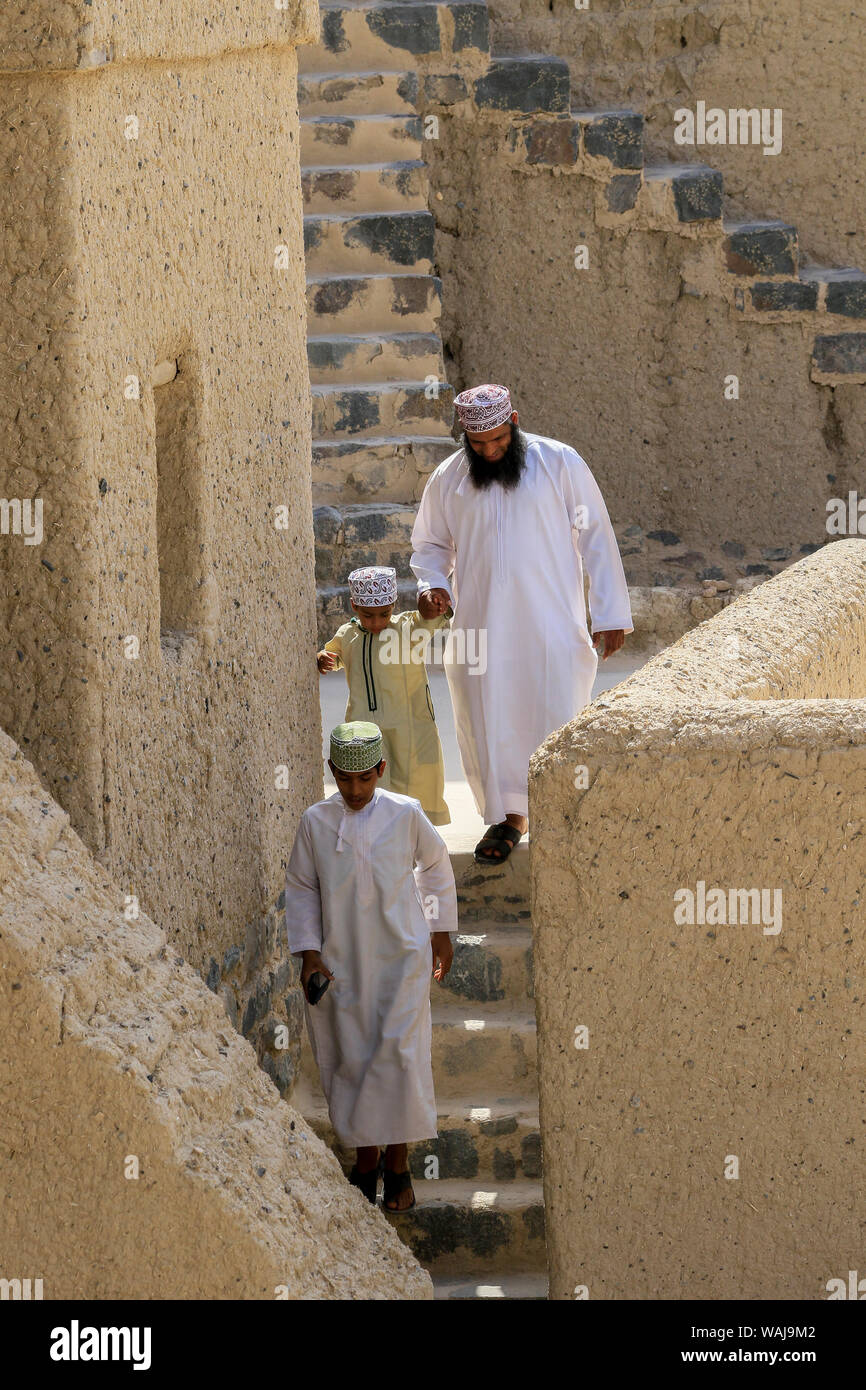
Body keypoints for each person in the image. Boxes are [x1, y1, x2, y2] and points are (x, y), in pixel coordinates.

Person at [410, 383, 633, 864]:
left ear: (513, 422)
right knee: (489, 718)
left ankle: (562, 815)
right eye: (478, 444)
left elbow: (595, 534)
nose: (490, 452)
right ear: (466, 439)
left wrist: (610, 613)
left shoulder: (559, 462)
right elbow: (430, 546)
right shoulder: (449, 478)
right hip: (481, 629)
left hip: (550, 623)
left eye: (498, 440)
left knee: (557, 712)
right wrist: (433, 585)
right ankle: (509, 816)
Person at [284, 720, 457, 1212]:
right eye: (344, 779)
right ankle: (365, 1159)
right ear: (331, 771)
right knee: (354, 1057)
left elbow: (435, 865)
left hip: (402, 957)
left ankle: (397, 1161)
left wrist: (440, 931)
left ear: (381, 770)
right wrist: (309, 952)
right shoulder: (315, 822)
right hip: (342, 963)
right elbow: (302, 886)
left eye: (364, 778)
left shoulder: (405, 813)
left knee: (399, 1056)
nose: (355, 790)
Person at [317, 566, 452, 825]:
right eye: (368, 615)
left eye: (384, 614)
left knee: (414, 777)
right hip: (365, 723)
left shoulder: (406, 628)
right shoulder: (347, 634)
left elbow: (428, 620)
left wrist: (433, 606)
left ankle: (415, 832)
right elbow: (334, 656)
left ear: (393, 605)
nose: (377, 623)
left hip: (409, 722)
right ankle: (378, 833)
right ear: (355, 606)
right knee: (373, 783)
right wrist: (323, 658)